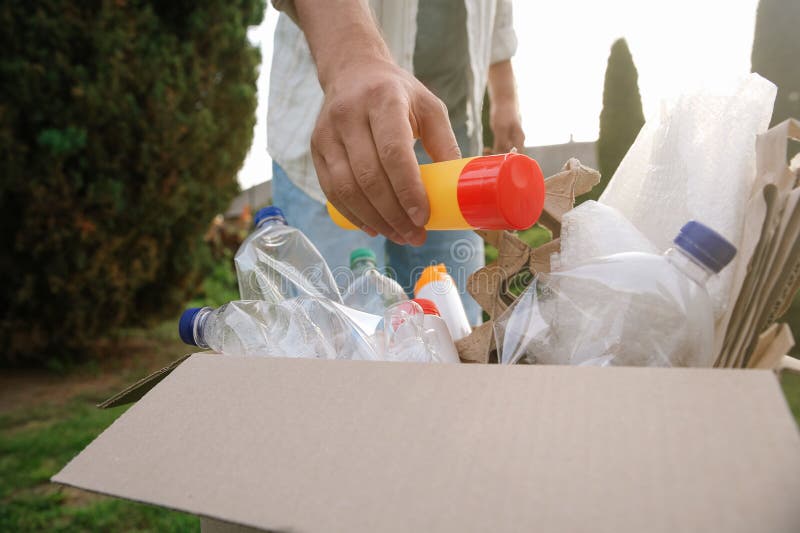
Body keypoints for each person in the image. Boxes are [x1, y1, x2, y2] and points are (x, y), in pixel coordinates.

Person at [269, 0, 524, 324]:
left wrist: (505, 98)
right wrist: (352, 58)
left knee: (459, 341)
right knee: (340, 344)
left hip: (449, 148)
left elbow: (499, 14)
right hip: (340, 139)